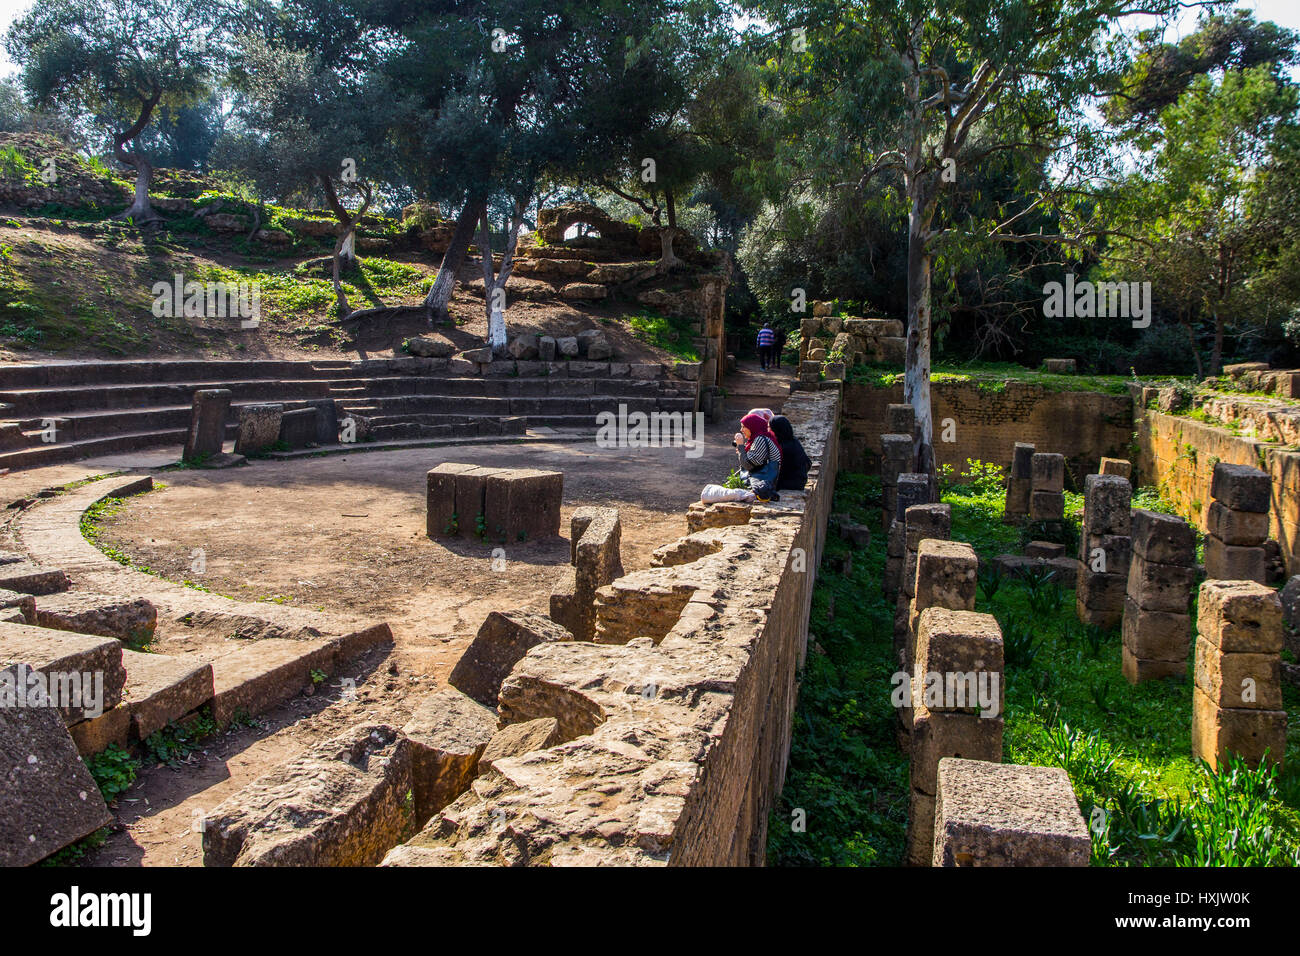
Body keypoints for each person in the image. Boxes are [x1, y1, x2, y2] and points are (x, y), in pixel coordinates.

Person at [733, 412, 782, 502]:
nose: (741, 430)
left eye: (744, 426)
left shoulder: (760, 439)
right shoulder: (758, 438)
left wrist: (740, 446)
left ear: (752, 427)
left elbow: (748, 465)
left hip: (763, 479)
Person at [770, 415, 810, 491]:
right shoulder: (792, 440)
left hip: (792, 484)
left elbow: (779, 472)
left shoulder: (784, 447)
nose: (768, 430)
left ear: (776, 429)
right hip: (800, 481)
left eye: (770, 427)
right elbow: (808, 463)